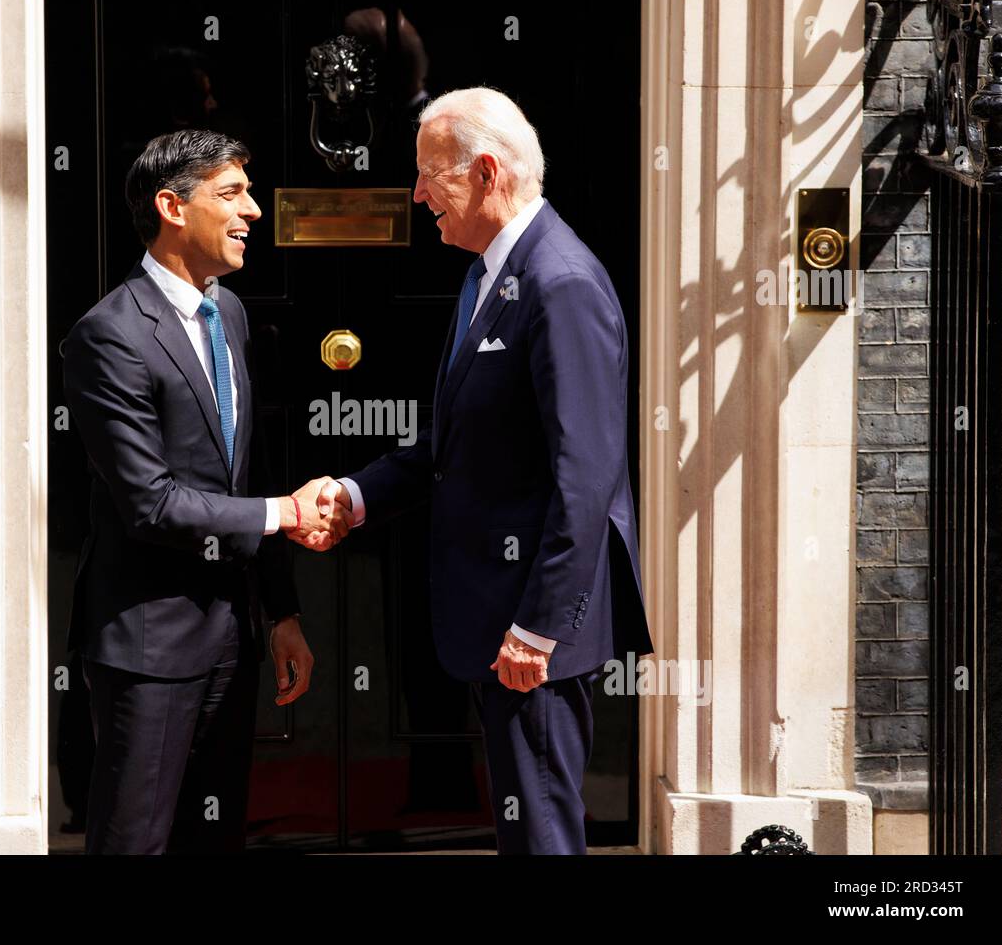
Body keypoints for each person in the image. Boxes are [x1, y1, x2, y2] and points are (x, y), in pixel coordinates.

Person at [305, 88, 654, 854]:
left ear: (487, 172)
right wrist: (354, 496)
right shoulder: (487, 273)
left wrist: (538, 627)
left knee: (541, 837)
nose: (417, 194)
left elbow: (584, 476)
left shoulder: (560, 282)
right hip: (495, 616)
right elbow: (453, 445)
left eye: (430, 174)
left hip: (529, 628)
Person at [63, 129, 351, 853]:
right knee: (135, 842)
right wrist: (286, 514)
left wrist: (281, 612)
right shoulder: (110, 335)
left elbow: (246, 473)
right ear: (172, 207)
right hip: (148, 645)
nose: (253, 210)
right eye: (232, 193)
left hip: (233, 636)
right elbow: (151, 502)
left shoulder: (232, 315)